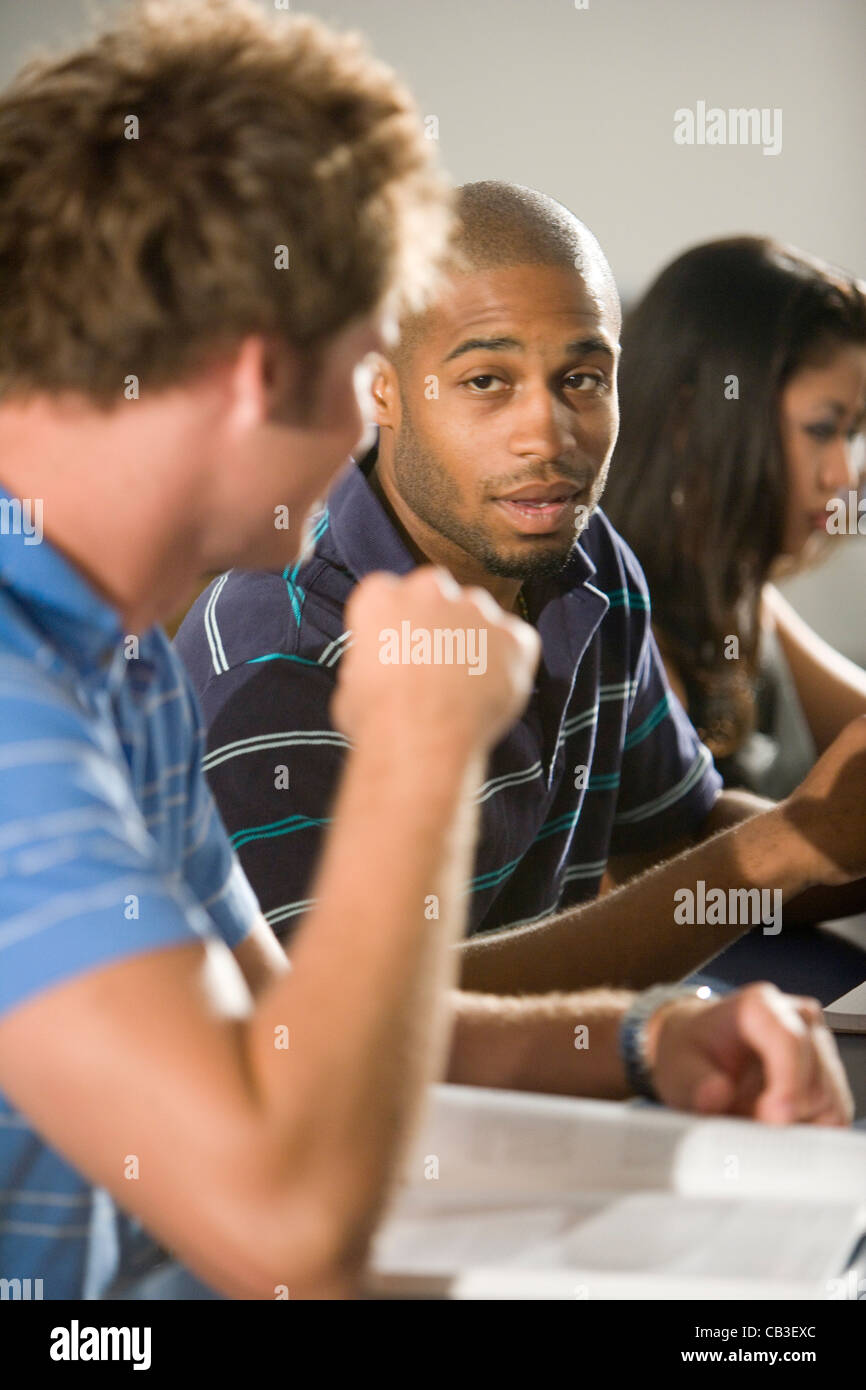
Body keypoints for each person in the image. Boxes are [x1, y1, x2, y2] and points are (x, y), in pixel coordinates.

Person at [0, 0, 542, 1300]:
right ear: (257, 376)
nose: (369, 423)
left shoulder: (113, 647)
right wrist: (419, 746)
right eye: (368, 365)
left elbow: (279, 1029)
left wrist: (636, 1043)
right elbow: (287, 1222)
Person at [176, 181, 866, 1013]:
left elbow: (672, 836)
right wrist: (790, 846)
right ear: (382, 389)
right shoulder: (282, 655)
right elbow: (348, 1029)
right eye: (485, 381)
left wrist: (827, 834)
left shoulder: (591, 561)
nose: (549, 436)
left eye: (582, 378)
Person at [604, 237, 866, 800]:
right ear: (691, 416)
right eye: (823, 428)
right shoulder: (617, 620)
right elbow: (674, 875)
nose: (844, 475)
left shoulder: (740, 586)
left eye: (853, 433)